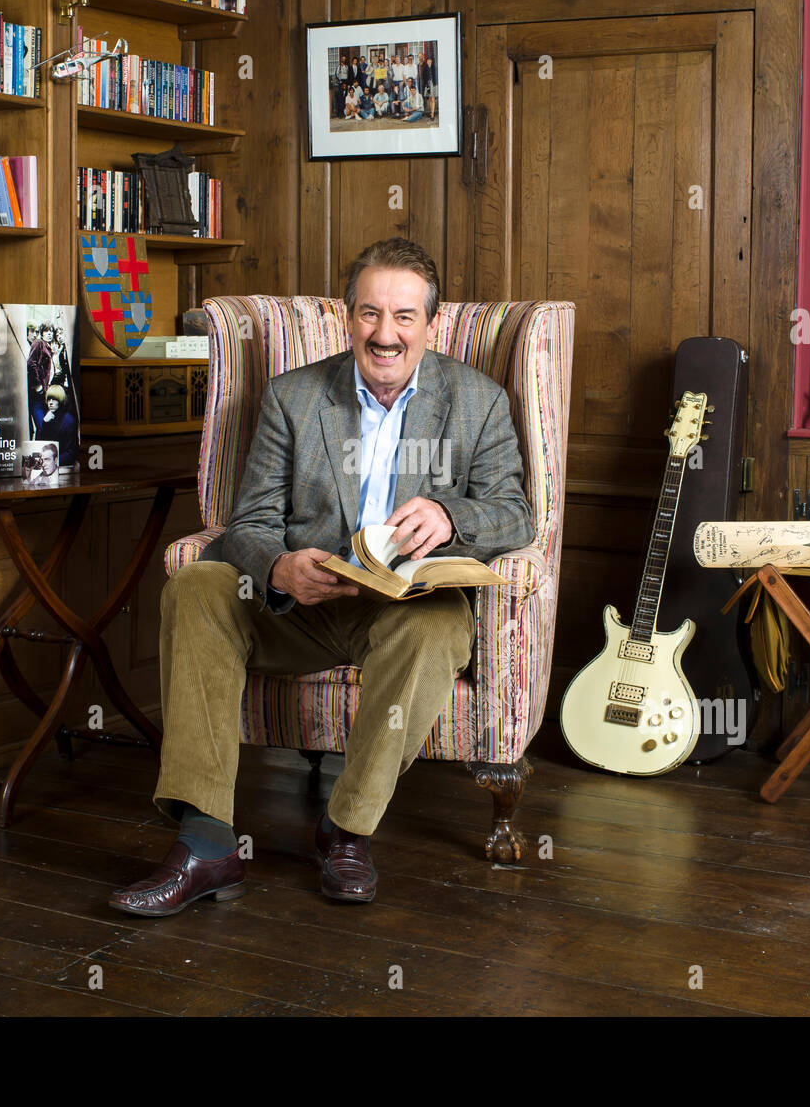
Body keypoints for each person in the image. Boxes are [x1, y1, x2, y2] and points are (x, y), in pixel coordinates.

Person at [109, 237, 534, 917]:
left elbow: (517, 514)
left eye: (403, 317)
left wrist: (452, 517)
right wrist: (278, 568)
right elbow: (247, 522)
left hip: (406, 608)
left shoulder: (477, 402)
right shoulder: (293, 397)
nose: (385, 334)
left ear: (433, 323)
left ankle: (347, 828)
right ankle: (207, 840)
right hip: (299, 606)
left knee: (431, 635)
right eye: (369, 314)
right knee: (195, 586)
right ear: (347, 317)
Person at [37, 384, 77, 464]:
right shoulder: (48, 417)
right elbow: (40, 445)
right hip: (48, 463)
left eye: (54, 399)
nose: (50, 403)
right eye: (49, 399)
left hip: (61, 464)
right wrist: (45, 423)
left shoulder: (68, 420)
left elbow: (71, 452)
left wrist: (53, 461)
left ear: (60, 400)